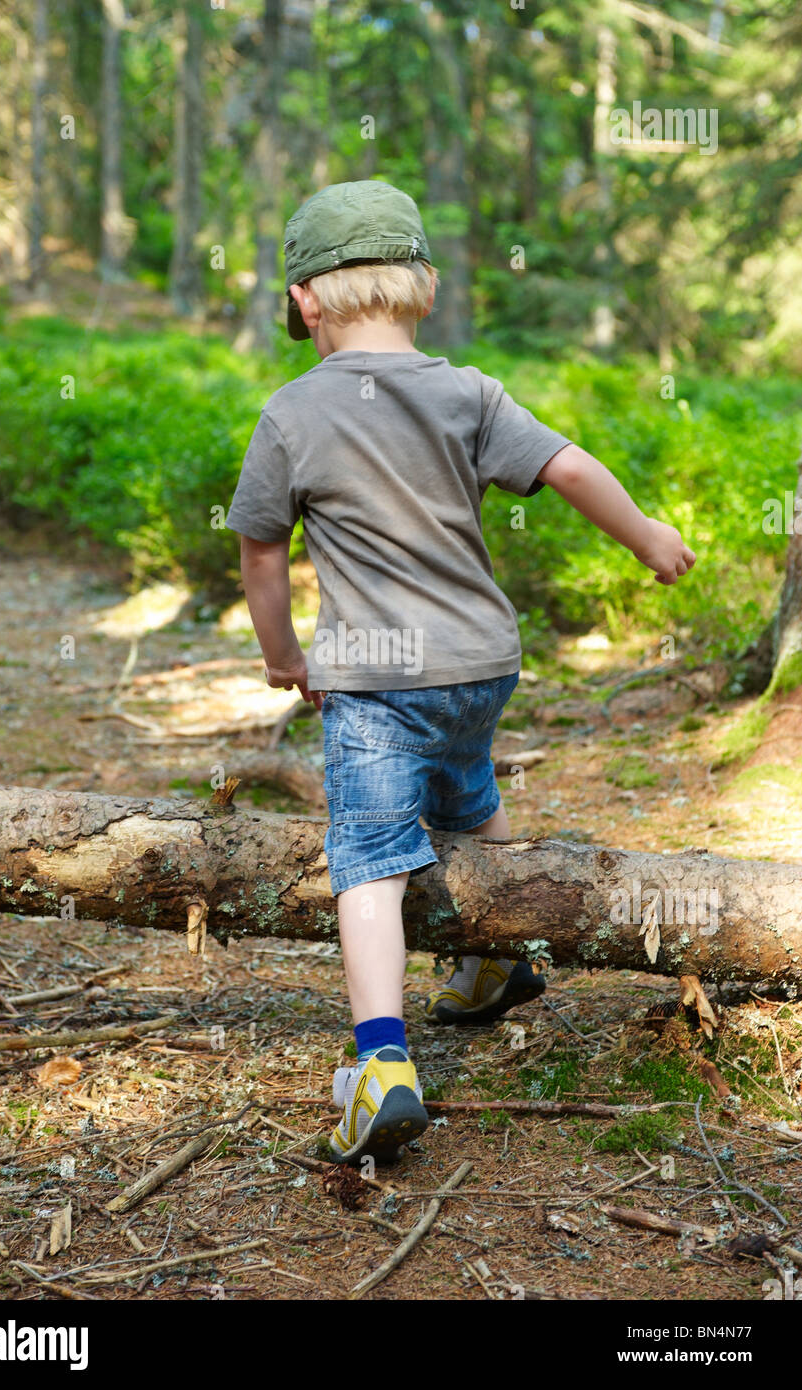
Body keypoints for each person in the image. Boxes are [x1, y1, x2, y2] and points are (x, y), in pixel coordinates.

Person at [226, 180, 696, 1166]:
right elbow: (566, 466)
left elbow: (262, 552)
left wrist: (282, 657)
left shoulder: (290, 411)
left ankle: (382, 1065)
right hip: (480, 663)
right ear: (420, 288)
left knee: (367, 856)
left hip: (372, 679)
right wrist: (647, 535)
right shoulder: (467, 390)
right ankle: (492, 967)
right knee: (468, 792)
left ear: (306, 302)